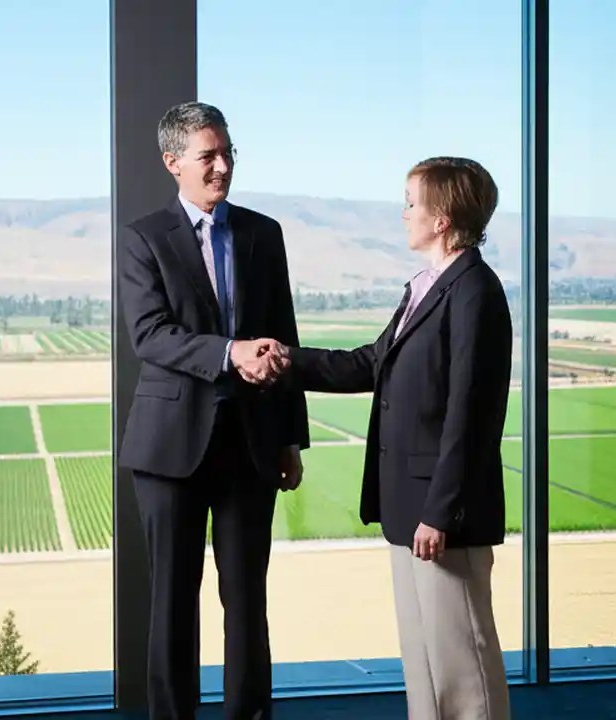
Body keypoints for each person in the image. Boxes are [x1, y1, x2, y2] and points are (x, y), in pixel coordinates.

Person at [258, 157, 512, 719]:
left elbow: (472, 415)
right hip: (409, 506)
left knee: (463, 664)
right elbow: (372, 365)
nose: (403, 215)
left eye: (411, 202)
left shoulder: (474, 292)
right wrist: (287, 360)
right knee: (424, 663)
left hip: (443, 515)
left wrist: (441, 512)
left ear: (442, 217)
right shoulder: (427, 287)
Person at [116, 100, 309, 720]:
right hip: (169, 446)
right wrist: (230, 352)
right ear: (173, 162)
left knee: (247, 598)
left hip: (250, 443)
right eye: (209, 156)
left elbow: (284, 338)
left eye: (228, 153)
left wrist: (290, 440)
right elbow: (149, 335)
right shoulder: (143, 238)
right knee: (173, 601)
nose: (222, 166)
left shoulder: (262, 234)